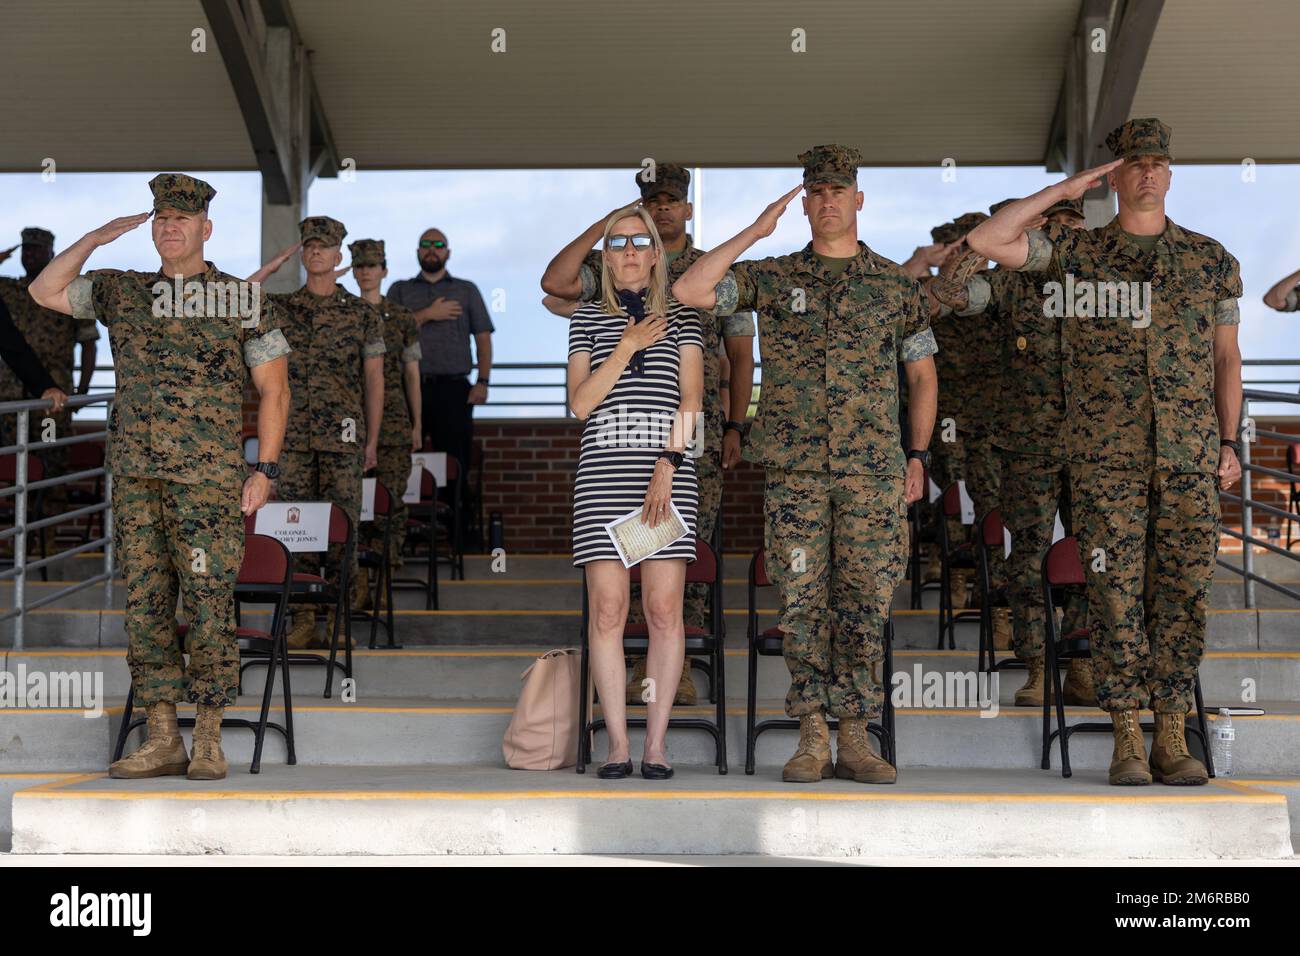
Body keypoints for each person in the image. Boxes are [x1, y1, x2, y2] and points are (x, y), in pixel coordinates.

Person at [968, 118, 1243, 786]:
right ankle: (1126, 736)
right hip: (1105, 460)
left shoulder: (1210, 260)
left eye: (1157, 162)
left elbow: (1226, 359)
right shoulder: (1078, 255)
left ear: (1170, 174)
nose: (1147, 172)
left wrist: (1229, 440)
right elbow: (986, 241)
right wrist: (1064, 189)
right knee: (1114, 594)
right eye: (1134, 163)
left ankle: (1171, 733)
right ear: (1114, 177)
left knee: (1181, 595)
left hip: (1187, 457)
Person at [674, 145, 938, 785]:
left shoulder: (896, 285)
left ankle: (856, 736)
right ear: (804, 203)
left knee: (865, 600)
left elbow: (923, 377)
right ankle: (812, 736)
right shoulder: (772, 276)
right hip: (795, 474)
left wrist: (917, 454)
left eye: (838, 190)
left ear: (858, 199)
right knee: (801, 602)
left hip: (874, 472)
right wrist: (754, 231)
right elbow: (689, 288)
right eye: (816, 191)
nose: (827, 201)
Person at [29, 173, 291, 781]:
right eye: (162, 219)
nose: (170, 227)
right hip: (136, 477)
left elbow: (275, 390)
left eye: (182, 219)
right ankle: (163, 737)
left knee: (207, 602)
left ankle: (209, 739)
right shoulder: (123, 291)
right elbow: (45, 290)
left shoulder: (241, 299)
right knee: (146, 605)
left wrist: (266, 469)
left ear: (206, 228)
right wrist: (94, 238)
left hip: (207, 482)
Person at [541, 163, 757, 706]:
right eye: (651, 201)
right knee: (621, 559)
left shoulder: (708, 270)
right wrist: (608, 225)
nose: (662, 209)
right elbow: (555, 285)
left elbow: (740, 353)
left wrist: (735, 423)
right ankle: (633, 661)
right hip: (617, 443)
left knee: (685, 545)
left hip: (692, 432)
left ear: (687, 208)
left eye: (671, 201)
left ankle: (674, 668)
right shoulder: (619, 257)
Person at [930, 197, 1092, 704]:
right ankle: (1038, 664)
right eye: (1053, 226)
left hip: (1094, 444)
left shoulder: (1104, 285)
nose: (1063, 236)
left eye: (1072, 225)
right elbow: (948, 293)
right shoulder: (1010, 284)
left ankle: (1084, 662)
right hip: (1026, 445)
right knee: (1027, 557)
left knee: (1094, 554)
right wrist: (989, 243)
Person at [566, 205, 703, 780]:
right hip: (603, 474)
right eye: (617, 242)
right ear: (604, 256)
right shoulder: (586, 318)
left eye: (640, 241)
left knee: (664, 611)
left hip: (665, 473)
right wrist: (624, 347)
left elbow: (691, 400)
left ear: (655, 254)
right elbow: (580, 404)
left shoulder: (686, 317)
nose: (628, 251)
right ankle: (618, 745)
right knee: (608, 612)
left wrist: (669, 464)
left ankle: (656, 745)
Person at [252, 217, 385, 649]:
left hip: (343, 440)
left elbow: (375, 380)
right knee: (295, 529)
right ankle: (303, 619)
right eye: (308, 245)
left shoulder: (362, 314)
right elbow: (238, 298)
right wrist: (272, 266)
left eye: (324, 247)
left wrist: (372, 440)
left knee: (343, 529)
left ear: (338, 255)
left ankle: (340, 620)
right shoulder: (282, 308)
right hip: (292, 438)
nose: (315, 252)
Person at [0, 228, 99, 503]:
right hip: (10, 397)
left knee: (50, 455)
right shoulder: (8, 289)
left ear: (52, 253)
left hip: (52, 401)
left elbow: (89, 343)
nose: (29, 254)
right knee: (13, 463)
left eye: (36, 249)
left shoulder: (71, 291)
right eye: (25, 249)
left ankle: (51, 522)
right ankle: (18, 526)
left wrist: (82, 390)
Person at [386, 229, 493, 479]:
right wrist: (428, 314)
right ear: (417, 252)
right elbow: (387, 331)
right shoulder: (400, 290)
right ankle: (406, 508)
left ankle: (455, 507)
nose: (432, 249)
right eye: (426, 244)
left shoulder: (466, 290)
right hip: (406, 389)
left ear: (448, 253)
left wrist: (483, 382)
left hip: (454, 390)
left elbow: (483, 339)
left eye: (438, 245)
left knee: (455, 463)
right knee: (401, 461)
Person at [350, 238, 422, 603]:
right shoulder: (344, 313)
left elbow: (412, 375)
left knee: (390, 504)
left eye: (372, 266)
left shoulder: (402, 317)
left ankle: (383, 581)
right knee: (355, 506)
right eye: (360, 266)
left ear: (384, 270)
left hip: (394, 424)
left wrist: (417, 424)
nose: (366, 272)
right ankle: (358, 581)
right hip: (351, 424)